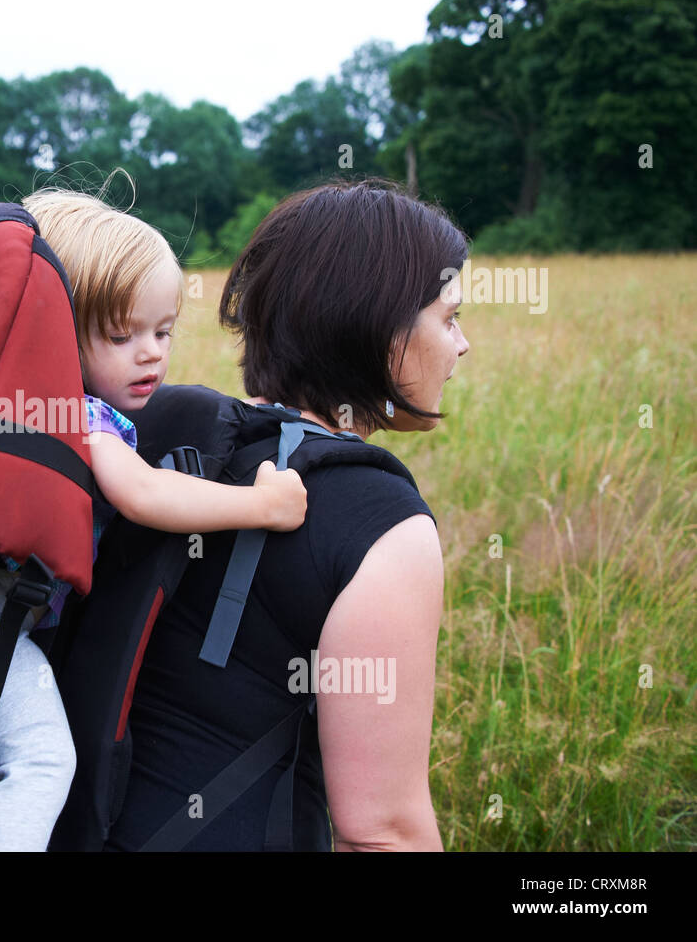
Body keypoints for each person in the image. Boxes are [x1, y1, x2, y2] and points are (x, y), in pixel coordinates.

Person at [105, 179, 471, 852]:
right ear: (381, 326)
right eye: (447, 318)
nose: (462, 345)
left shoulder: (151, 434)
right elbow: (382, 832)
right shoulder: (385, 523)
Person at [0, 186, 310, 851]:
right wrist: (261, 505)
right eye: (121, 334)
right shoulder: (74, 414)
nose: (150, 353)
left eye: (163, 331)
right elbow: (144, 493)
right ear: (55, 332)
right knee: (41, 759)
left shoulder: (32, 405)